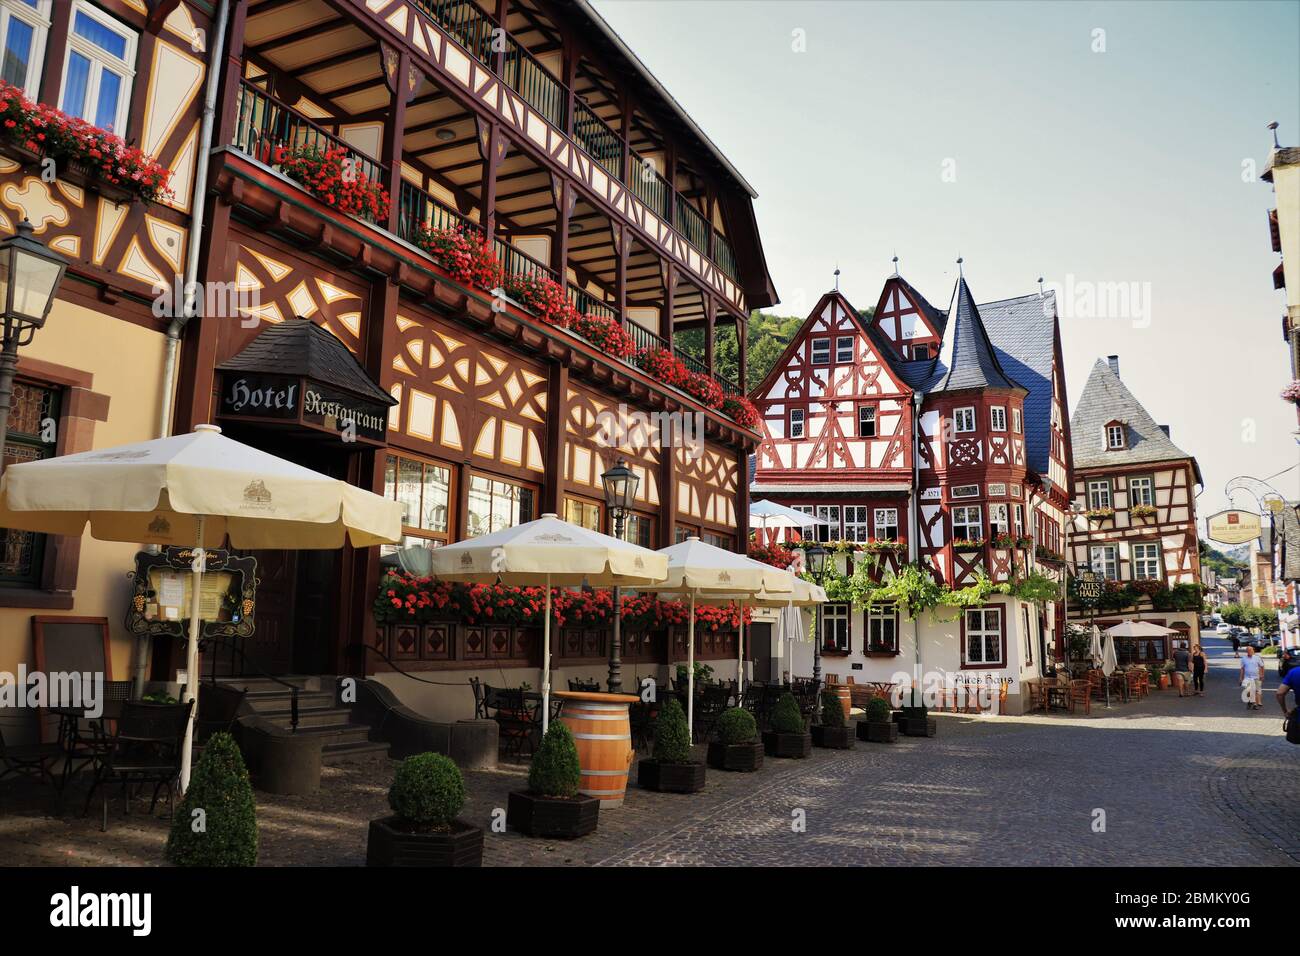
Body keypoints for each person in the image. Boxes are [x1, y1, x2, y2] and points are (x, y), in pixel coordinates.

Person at [1240, 645, 1264, 710]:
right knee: (1248, 691)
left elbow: (1262, 666)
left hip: (1256, 677)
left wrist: (1262, 675)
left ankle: (1255, 704)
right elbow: (1242, 669)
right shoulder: (1244, 658)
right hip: (1247, 677)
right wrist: (1241, 678)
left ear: (1253, 651)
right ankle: (1250, 701)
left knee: (1256, 691)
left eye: (1251, 650)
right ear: (1246, 651)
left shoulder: (1257, 658)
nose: (1250, 651)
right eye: (1248, 650)